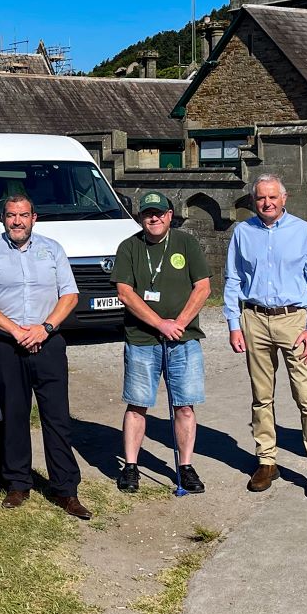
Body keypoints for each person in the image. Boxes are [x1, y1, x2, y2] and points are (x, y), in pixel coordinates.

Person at [0, 194, 90, 520]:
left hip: (48, 342)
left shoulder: (53, 250)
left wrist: (44, 328)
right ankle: (18, 483)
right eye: (11, 215)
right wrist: (16, 331)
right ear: (4, 218)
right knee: (14, 415)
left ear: (34, 218)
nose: (17, 221)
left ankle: (65, 489)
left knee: (57, 418)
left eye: (23, 215)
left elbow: (70, 295)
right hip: (5, 345)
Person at [223, 175, 307, 500]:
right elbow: (232, 278)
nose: (267, 203)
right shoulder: (243, 232)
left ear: (284, 198)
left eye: (273, 197)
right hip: (254, 318)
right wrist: (233, 323)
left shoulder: (303, 232)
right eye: (261, 198)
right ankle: (266, 461)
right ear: (253, 200)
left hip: (294, 320)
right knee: (261, 396)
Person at [111, 192, 211, 495]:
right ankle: (131, 466)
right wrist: (159, 324)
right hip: (142, 339)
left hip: (183, 338)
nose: (153, 218)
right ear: (141, 217)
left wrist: (178, 323)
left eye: (159, 213)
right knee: (137, 404)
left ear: (169, 215)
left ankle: (186, 466)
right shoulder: (129, 247)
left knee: (185, 406)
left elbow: (203, 287)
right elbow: (125, 293)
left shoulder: (186, 243)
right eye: (147, 213)